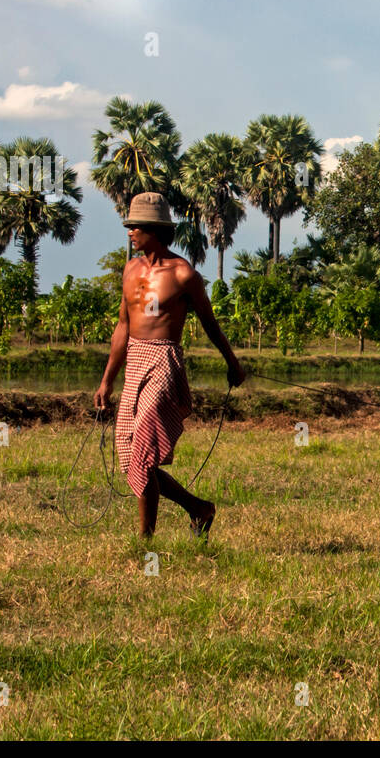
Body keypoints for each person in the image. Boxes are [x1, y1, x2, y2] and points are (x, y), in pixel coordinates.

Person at [94, 192, 246, 537]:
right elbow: (123, 327)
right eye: (130, 226)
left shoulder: (183, 275)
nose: (130, 232)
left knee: (145, 447)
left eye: (136, 227)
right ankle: (199, 508)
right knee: (132, 459)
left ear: (155, 230)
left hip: (163, 360)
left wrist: (232, 362)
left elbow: (210, 323)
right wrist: (107, 381)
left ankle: (144, 540)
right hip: (135, 359)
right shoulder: (131, 270)